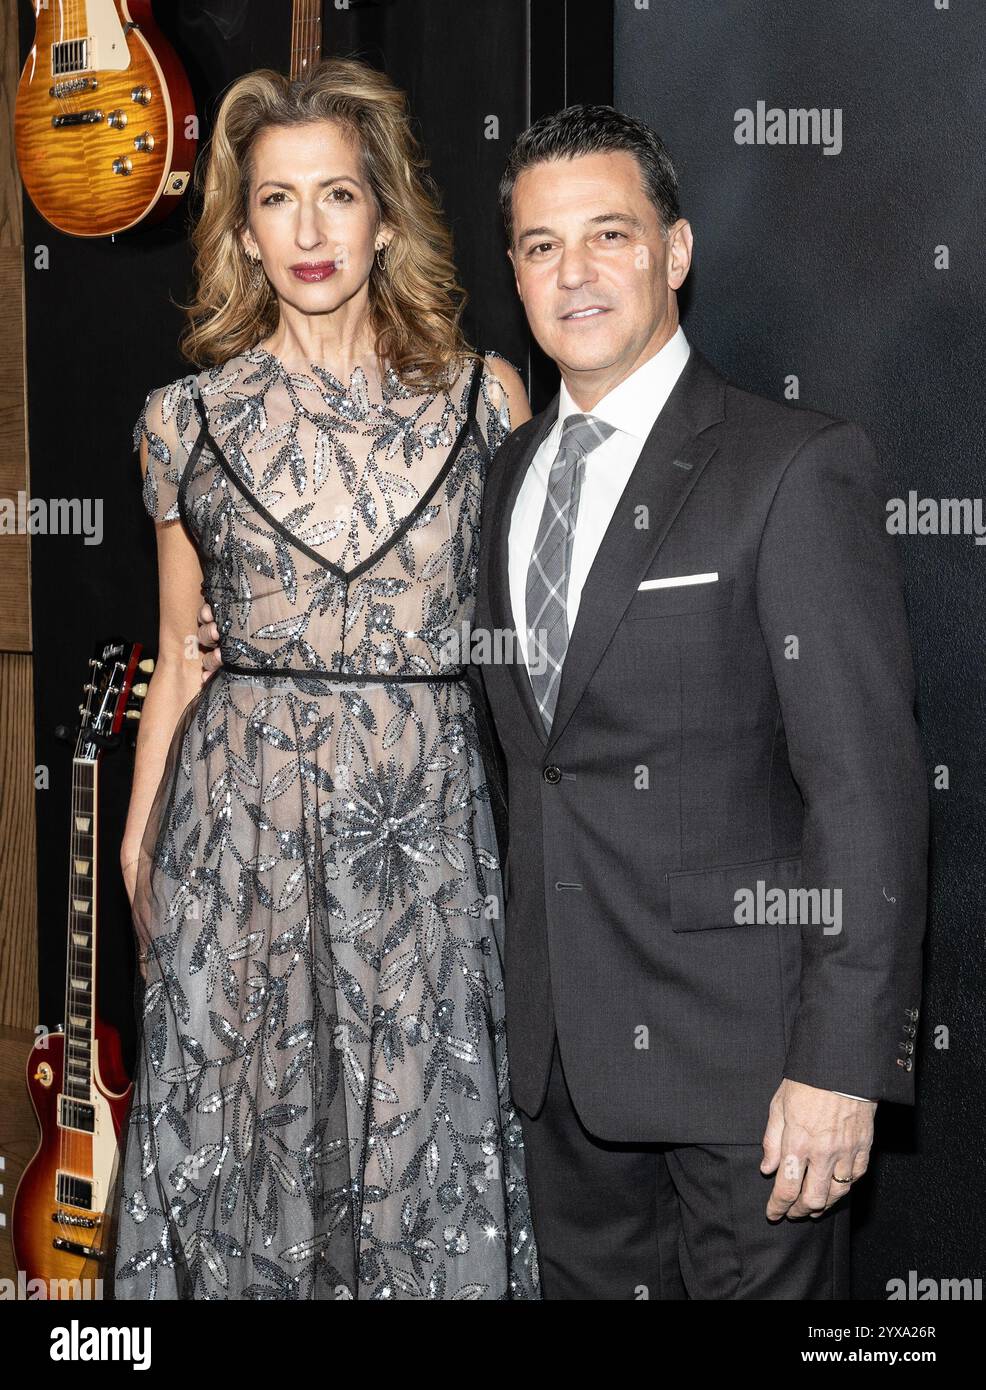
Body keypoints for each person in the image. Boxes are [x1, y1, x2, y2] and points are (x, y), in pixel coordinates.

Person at [471, 104, 927, 1299]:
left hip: (748, 1081)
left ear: (673, 252)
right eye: (538, 245)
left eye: (607, 234)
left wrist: (840, 1065)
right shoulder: (505, 476)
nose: (573, 273)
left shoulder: (788, 463)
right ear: (512, 270)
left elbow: (864, 787)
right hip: (558, 1067)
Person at [115, 57, 539, 1300]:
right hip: (236, 836)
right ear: (242, 231)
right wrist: (143, 836)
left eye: (336, 196)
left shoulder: (486, 402)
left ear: (386, 214)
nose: (307, 231)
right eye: (274, 200)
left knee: (423, 1148)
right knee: (246, 1149)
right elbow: (181, 648)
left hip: (421, 837)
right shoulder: (182, 422)